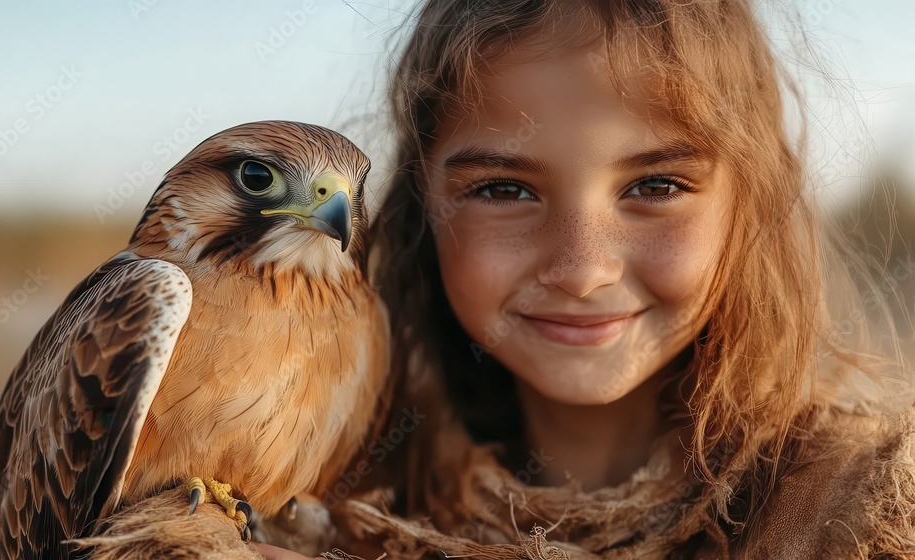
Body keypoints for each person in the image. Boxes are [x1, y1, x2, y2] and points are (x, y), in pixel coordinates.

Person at [82, 1, 915, 558]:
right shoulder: (326, 503)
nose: (584, 269)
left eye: (655, 186)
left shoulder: (859, 512)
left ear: (753, 202)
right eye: (504, 190)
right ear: (420, 208)